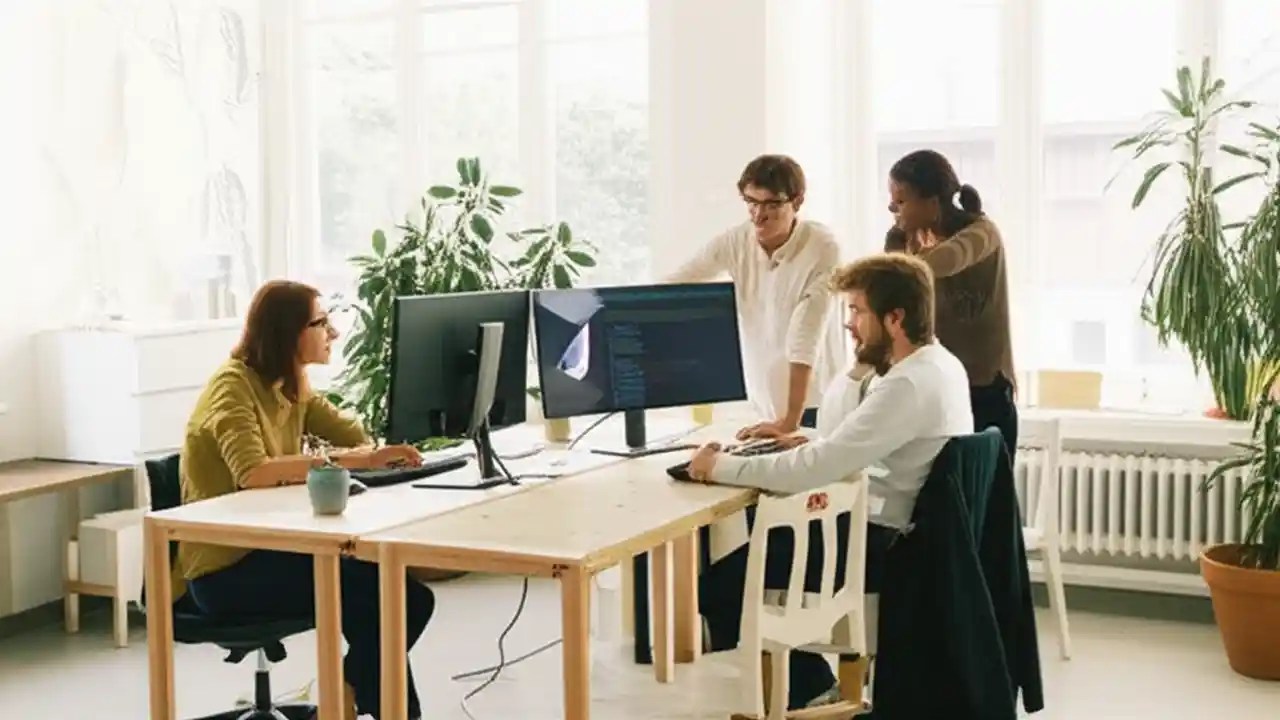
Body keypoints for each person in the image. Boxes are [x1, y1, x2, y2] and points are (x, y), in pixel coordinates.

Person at [685, 253, 974, 710]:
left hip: (885, 548)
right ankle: (803, 682)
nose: (848, 324)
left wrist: (716, 467)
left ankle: (811, 690)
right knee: (763, 542)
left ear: (894, 318)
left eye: (857, 311)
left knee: (719, 585)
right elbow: (858, 441)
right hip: (908, 537)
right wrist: (814, 437)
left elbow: (817, 468)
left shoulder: (907, 385)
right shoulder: (937, 365)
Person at [175, 280, 431, 720]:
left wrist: (390, 439)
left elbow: (355, 437)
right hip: (224, 572)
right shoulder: (232, 388)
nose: (333, 333)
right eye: (321, 323)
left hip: (272, 551)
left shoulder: (290, 384)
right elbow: (252, 471)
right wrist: (359, 456)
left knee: (404, 596)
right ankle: (364, 706)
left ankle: (347, 691)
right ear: (287, 332)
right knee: (381, 595)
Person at [668, 154, 846, 438]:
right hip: (764, 403)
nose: (758, 215)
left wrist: (790, 420)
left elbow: (806, 335)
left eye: (772, 204)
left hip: (815, 403)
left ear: (797, 201)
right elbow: (679, 282)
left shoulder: (823, 247)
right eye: (751, 202)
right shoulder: (737, 241)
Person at [886, 149, 1018, 455]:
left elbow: (939, 263)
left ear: (932, 204)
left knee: (985, 496)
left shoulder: (981, 234)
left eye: (901, 200)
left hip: (984, 390)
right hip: (939, 388)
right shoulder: (917, 244)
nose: (892, 207)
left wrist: (899, 250)